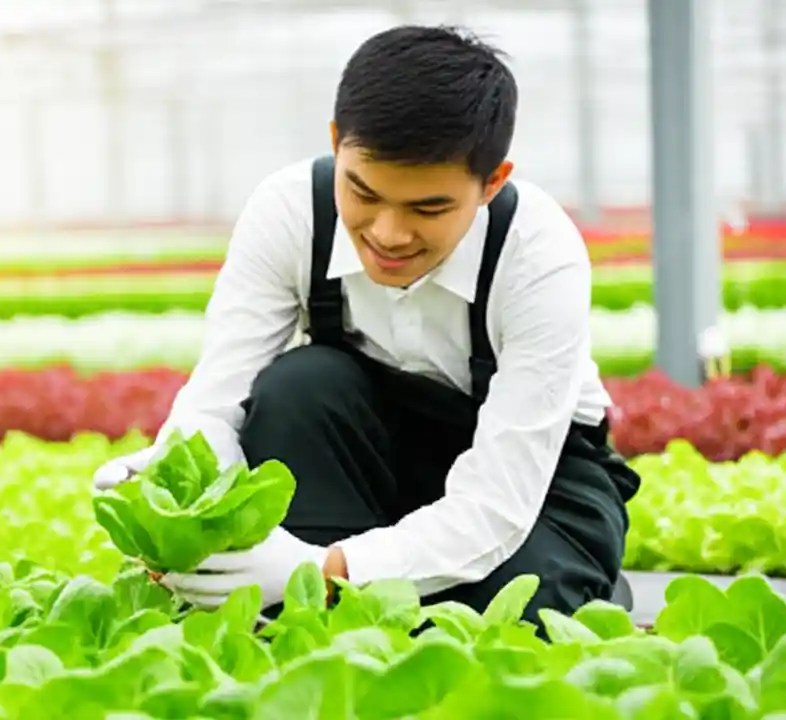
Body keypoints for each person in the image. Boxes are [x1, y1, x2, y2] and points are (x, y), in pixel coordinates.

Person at [92, 24, 641, 624]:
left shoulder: (538, 253)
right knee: (301, 386)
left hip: (537, 486)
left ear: (492, 182)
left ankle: (576, 577)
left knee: (497, 619)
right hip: (365, 456)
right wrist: (182, 501)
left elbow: (499, 502)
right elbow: (217, 400)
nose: (387, 233)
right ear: (336, 142)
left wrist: (324, 571)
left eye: (428, 208)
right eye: (363, 192)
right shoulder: (289, 211)